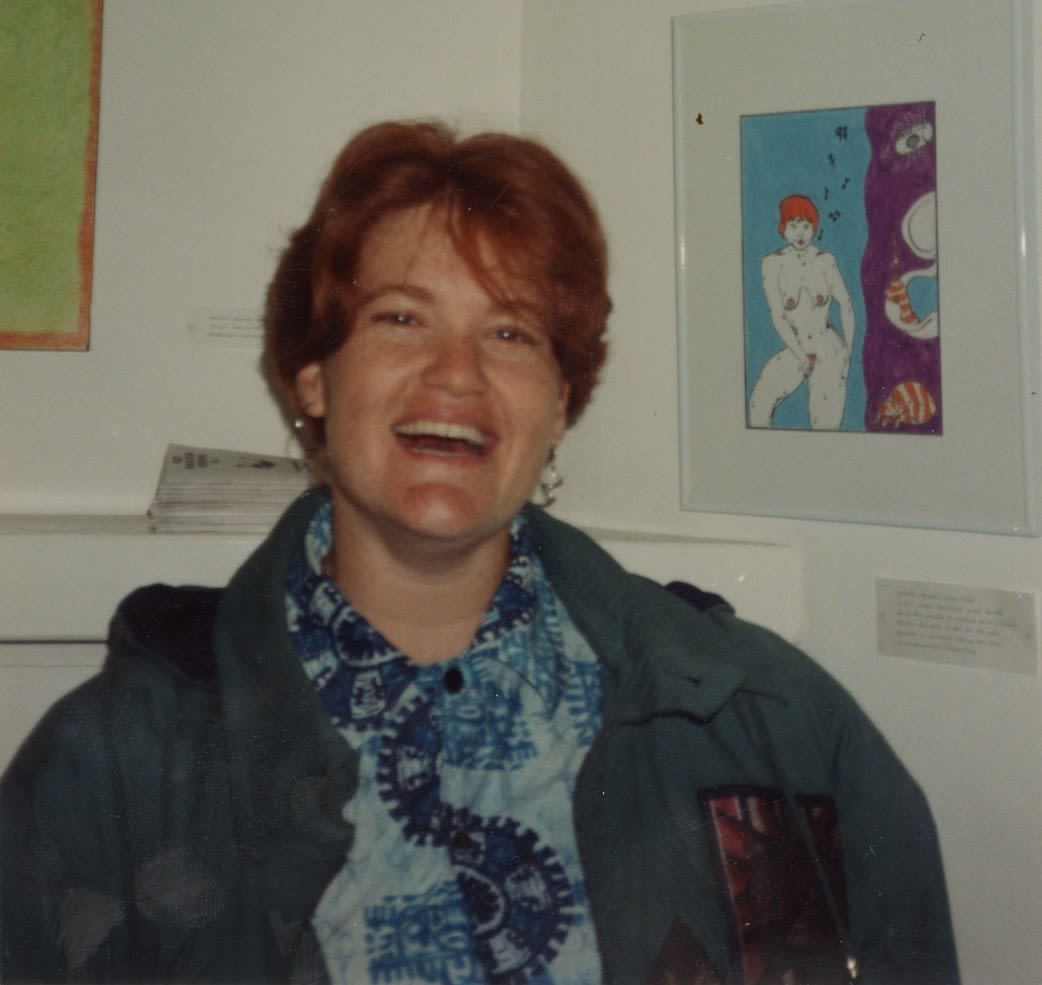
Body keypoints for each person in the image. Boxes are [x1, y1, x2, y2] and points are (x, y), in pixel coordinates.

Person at [1, 121, 958, 985]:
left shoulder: (771, 720)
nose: (456, 374)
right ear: (314, 378)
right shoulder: (109, 774)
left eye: (509, 331)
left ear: (560, 402)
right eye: (401, 318)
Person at [749, 194, 856, 430]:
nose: (800, 233)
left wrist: (848, 352)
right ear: (783, 227)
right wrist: (800, 356)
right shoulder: (772, 264)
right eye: (793, 225)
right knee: (759, 404)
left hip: (828, 347)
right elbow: (777, 317)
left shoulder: (825, 260)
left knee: (825, 425)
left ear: (814, 228)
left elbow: (846, 303)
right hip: (797, 347)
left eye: (806, 226)